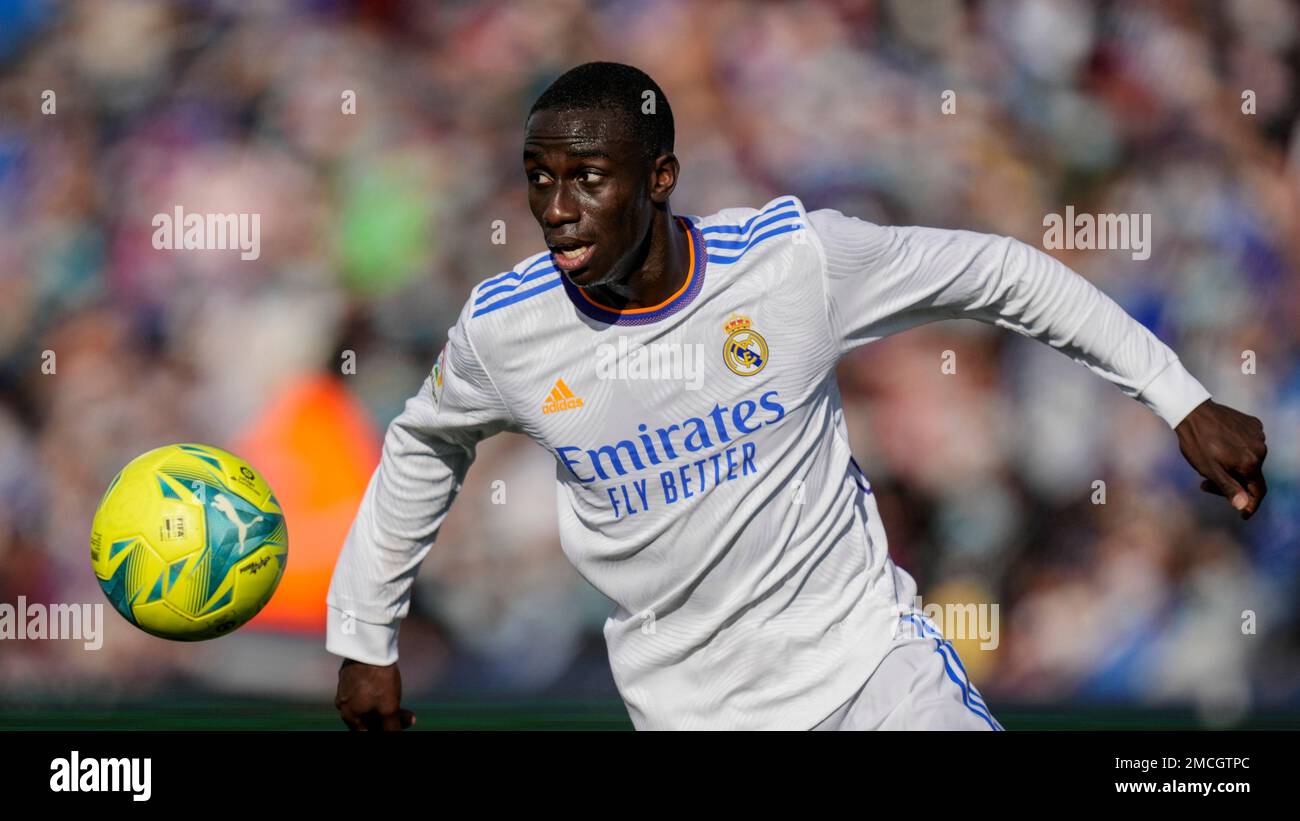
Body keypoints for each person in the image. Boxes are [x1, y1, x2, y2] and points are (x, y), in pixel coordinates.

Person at [327, 62, 1267, 730]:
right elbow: (422, 446)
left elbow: (998, 270)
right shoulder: (506, 330)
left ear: (660, 179)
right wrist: (368, 635)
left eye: (588, 178)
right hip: (692, 715)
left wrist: (1178, 395)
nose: (558, 207)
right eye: (540, 179)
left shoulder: (790, 263)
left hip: (876, 676)